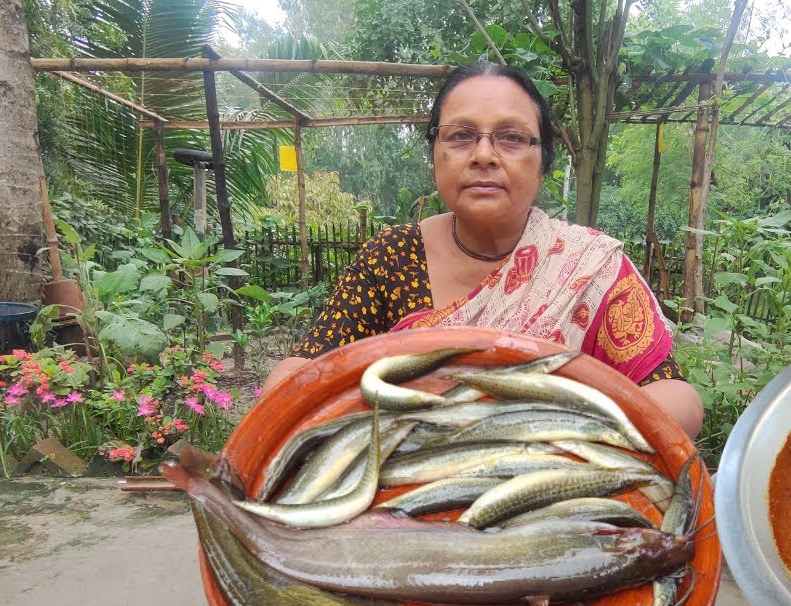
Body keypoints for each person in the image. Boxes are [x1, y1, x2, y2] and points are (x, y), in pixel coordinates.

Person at [264, 61, 704, 439]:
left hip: (550, 493)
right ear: (434, 152)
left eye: (512, 138)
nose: (484, 155)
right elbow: (302, 375)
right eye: (460, 136)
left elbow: (674, 396)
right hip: (401, 498)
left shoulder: (585, 268)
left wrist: (565, 439)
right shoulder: (392, 256)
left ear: (543, 159)